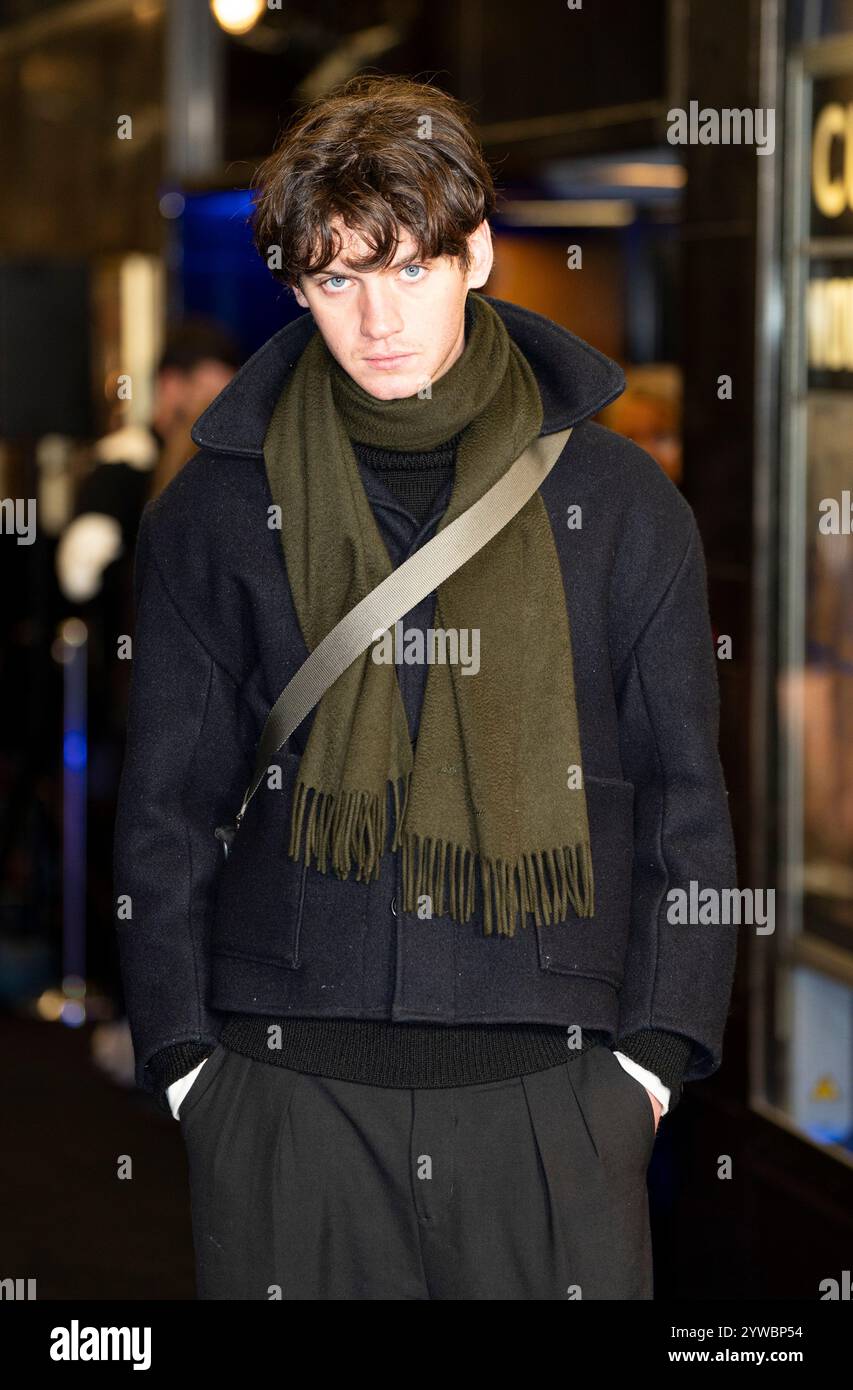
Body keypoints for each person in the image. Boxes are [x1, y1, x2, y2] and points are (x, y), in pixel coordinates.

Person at [114, 74, 738, 1301]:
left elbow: (686, 806)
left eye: (406, 267)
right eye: (337, 278)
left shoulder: (615, 505)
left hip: (553, 1092)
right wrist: (191, 1065)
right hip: (286, 1086)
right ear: (296, 286)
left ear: (476, 256)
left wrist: (651, 1064)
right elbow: (166, 806)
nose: (376, 317)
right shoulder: (220, 506)